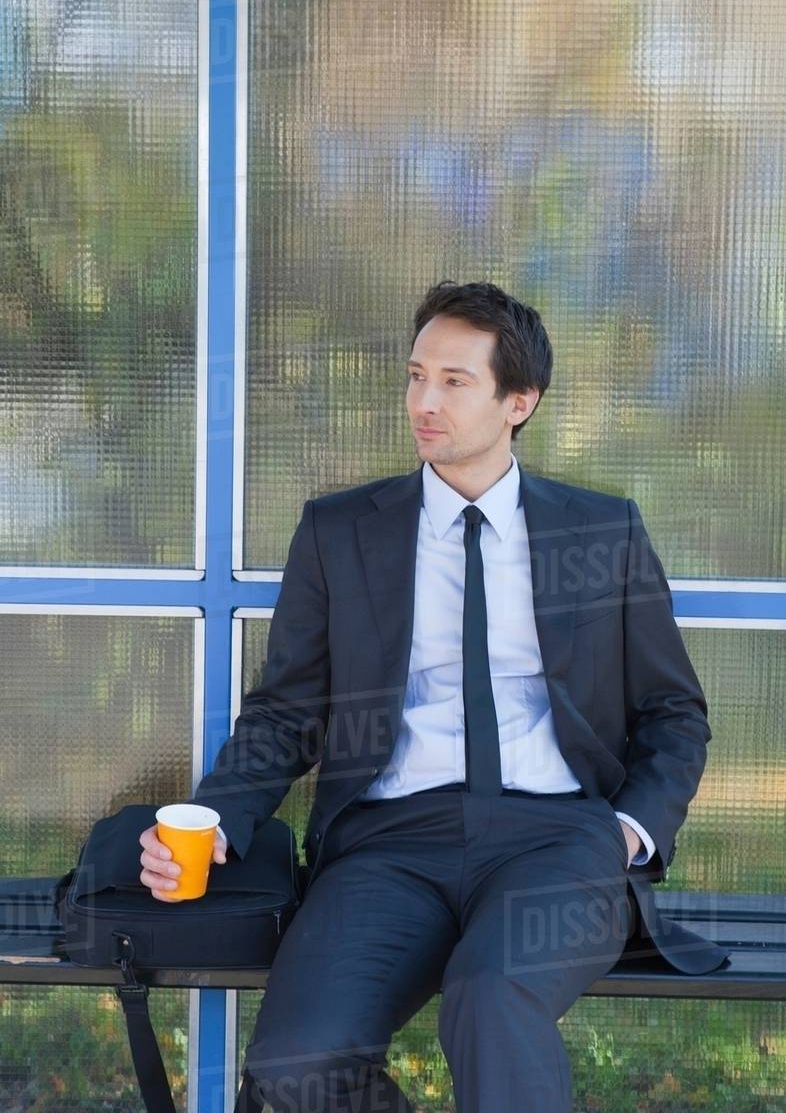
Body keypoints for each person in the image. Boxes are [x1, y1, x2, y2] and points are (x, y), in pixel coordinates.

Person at [139, 280, 729, 1113]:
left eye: (454, 381)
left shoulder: (601, 533)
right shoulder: (342, 530)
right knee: (296, 1067)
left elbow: (673, 713)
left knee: (492, 1000)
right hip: (388, 849)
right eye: (417, 376)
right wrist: (220, 819)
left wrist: (628, 832)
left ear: (518, 400)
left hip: (557, 841)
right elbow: (286, 712)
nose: (424, 400)